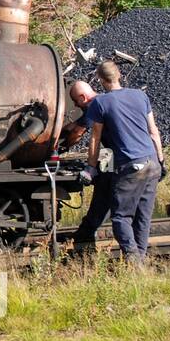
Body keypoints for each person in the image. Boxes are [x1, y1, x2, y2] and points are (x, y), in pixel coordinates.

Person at [83, 60, 167, 264]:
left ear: (101, 80)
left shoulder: (100, 103)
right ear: (119, 74)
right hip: (152, 162)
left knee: (121, 217)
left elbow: (95, 138)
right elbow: (153, 132)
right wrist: (161, 161)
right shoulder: (140, 95)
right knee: (143, 217)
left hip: (130, 166)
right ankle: (141, 259)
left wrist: (91, 168)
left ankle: (134, 262)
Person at [59, 80, 113, 253]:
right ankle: (87, 230)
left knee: (106, 188)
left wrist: (61, 147)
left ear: (83, 97)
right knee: (106, 189)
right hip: (116, 151)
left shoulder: (94, 106)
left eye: (75, 101)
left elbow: (78, 132)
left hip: (116, 154)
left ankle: (88, 232)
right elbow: (76, 125)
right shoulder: (103, 101)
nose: (75, 104)